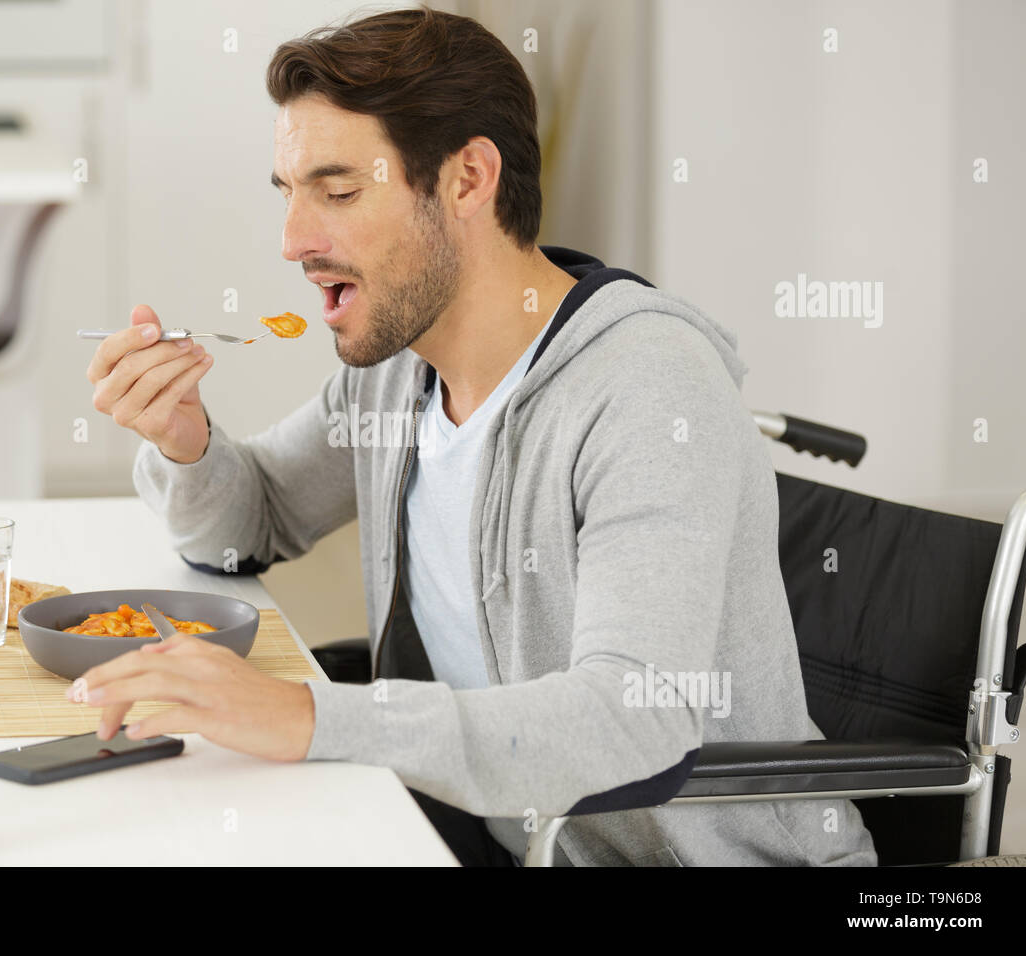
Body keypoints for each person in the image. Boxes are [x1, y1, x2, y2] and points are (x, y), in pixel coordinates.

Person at [80, 5, 878, 867]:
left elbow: (636, 712)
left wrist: (309, 716)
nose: (293, 243)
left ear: (467, 180)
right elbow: (254, 523)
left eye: (339, 191)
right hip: (500, 840)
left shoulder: (647, 386)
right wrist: (185, 442)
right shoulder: (397, 371)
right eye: (290, 194)